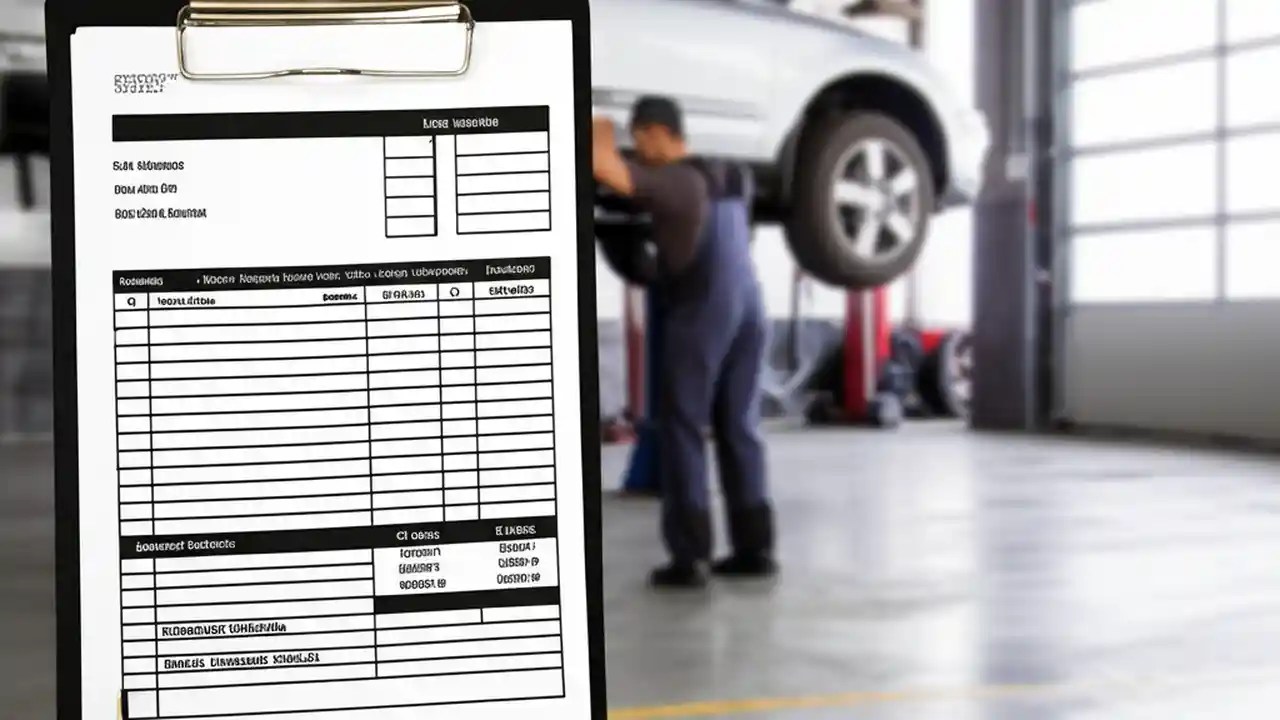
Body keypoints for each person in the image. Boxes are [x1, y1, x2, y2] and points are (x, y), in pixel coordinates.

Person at [592, 97, 776, 588]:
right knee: (740, 425)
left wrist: (598, 120)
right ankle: (755, 549)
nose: (638, 148)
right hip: (751, 309)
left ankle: (688, 558)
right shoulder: (730, 174)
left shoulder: (673, 180)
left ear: (656, 132)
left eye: (639, 137)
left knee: (681, 428)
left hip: (703, 311)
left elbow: (604, 166)